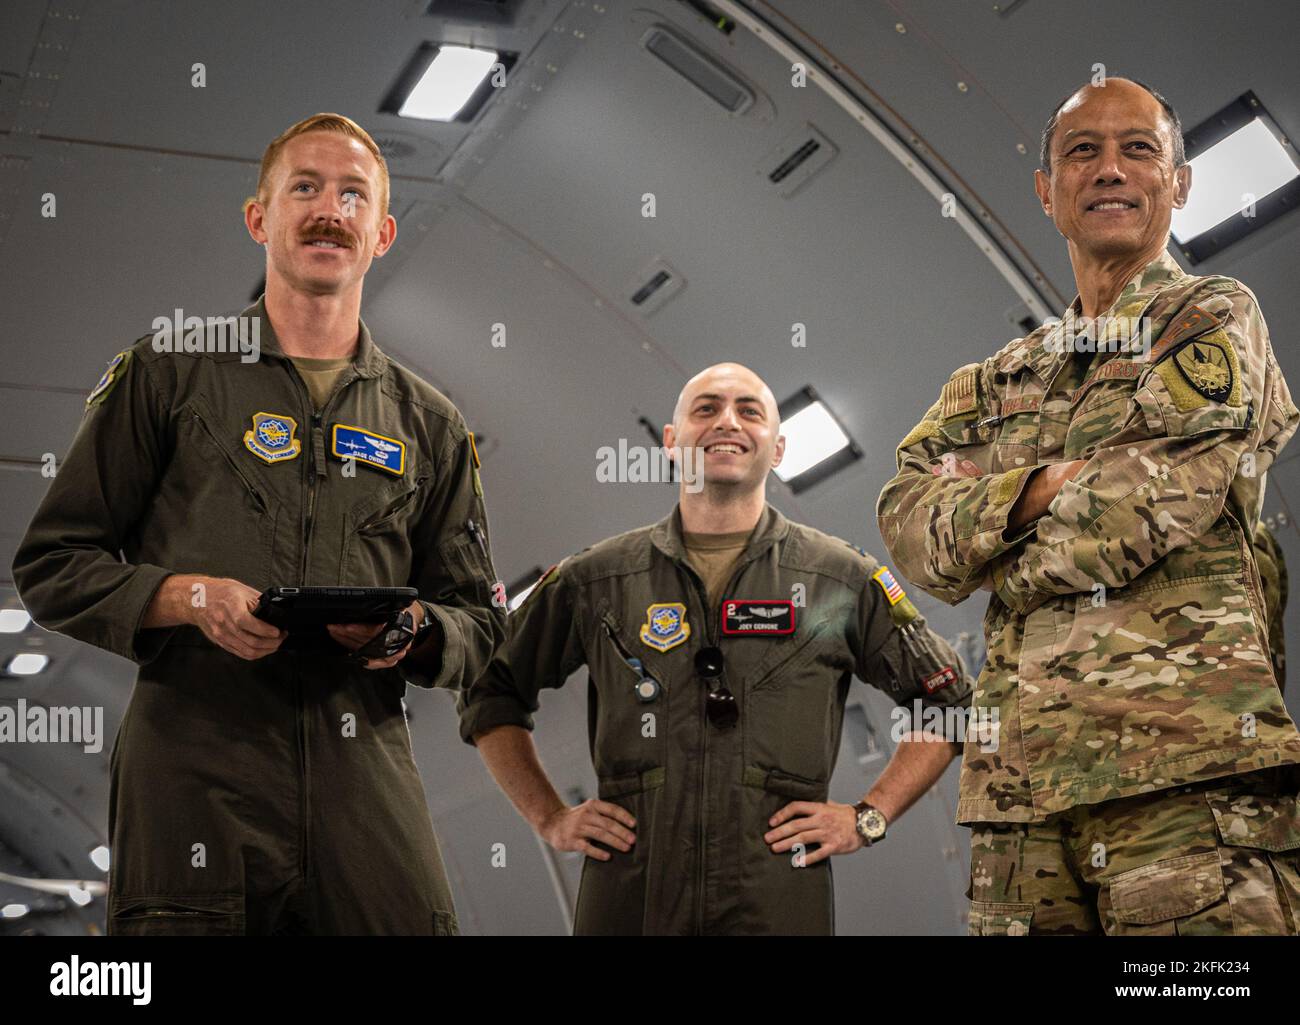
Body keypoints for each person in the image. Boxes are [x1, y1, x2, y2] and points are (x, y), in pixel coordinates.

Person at [11, 113, 506, 935]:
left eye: (353, 195)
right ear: (259, 218)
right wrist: (186, 595)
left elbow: (481, 622)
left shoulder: (429, 422)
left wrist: (408, 631)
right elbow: (53, 563)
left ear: (380, 233)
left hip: (363, 771)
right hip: (195, 765)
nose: (329, 210)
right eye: (304, 188)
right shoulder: (167, 374)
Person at [877, 78, 1300, 935]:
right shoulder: (996, 378)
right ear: (1046, 189)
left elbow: (1140, 513)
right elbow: (909, 526)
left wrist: (989, 529)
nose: (1110, 169)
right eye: (1083, 151)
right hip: (1018, 803)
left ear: (1178, 183)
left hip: (1181, 776)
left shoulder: (1210, 315)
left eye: (1138, 148)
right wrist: (1047, 486)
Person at [459, 362, 973, 935]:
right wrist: (549, 816)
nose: (727, 421)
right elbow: (490, 691)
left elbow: (948, 704)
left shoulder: (840, 579)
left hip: (775, 897)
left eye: (748, 410)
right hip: (631, 895)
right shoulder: (596, 580)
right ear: (673, 444)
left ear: (776, 449)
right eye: (706, 409)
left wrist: (869, 817)